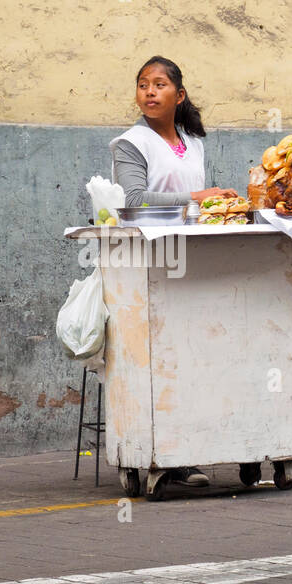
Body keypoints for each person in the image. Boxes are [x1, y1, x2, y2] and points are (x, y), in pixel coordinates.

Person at [109, 57, 236, 486]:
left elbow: (194, 204)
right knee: (158, 357)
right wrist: (199, 196)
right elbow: (136, 200)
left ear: (178, 95)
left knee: (192, 355)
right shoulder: (130, 143)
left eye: (159, 84)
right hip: (147, 262)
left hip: (189, 257)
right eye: (143, 84)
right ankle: (161, 461)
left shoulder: (193, 142)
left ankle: (190, 451)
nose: (149, 92)